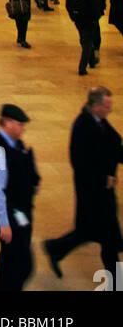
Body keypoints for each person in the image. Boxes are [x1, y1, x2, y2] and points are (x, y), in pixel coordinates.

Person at [44, 87, 123, 285]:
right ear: (95, 106)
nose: (110, 110)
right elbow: (79, 162)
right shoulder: (83, 126)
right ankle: (116, 284)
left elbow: (112, 146)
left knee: (92, 234)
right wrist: (103, 178)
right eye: (107, 106)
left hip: (103, 193)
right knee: (105, 239)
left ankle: (55, 248)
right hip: (93, 193)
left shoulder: (98, 120)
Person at [0, 103, 41, 291]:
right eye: (20, 124)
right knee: (21, 263)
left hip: (19, 211)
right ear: (7, 123)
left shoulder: (16, 143)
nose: (23, 129)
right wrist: (4, 223)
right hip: (8, 214)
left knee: (11, 258)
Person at [65, 0, 103, 75]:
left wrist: (73, 17)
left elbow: (68, 5)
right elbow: (96, 7)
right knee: (87, 42)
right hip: (90, 21)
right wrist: (96, 18)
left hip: (78, 21)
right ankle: (82, 67)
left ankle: (91, 61)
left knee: (84, 39)